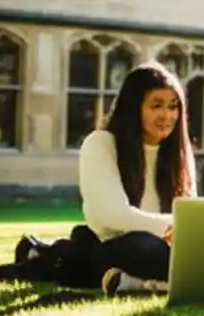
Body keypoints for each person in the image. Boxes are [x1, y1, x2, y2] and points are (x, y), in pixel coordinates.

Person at [79, 61, 197, 295]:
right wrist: (178, 225)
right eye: (156, 106)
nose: (167, 115)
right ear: (134, 107)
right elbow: (113, 216)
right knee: (145, 247)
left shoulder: (178, 155)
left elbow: (190, 212)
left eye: (173, 107)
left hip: (162, 249)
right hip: (114, 248)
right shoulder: (101, 144)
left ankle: (139, 284)